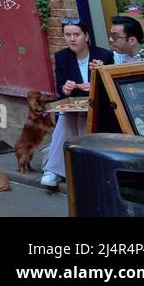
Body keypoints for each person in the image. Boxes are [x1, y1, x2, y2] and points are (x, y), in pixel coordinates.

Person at [40, 18, 113, 189]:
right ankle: (57, 171)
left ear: (86, 36)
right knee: (67, 115)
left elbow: (113, 88)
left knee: (70, 117)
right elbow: (60, 88)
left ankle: (54, 171)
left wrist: (99, 77)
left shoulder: (103, 55)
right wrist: (66, 88)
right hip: (75, 108)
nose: (72, 39)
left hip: (101, 108)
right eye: (68, 35)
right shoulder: (62, 57)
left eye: (76, 35)